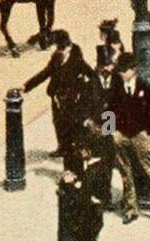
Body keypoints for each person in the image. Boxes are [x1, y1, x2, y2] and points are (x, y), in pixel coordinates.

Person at [107, 53, 150, 224]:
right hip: (121, 134)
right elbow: (109, 110)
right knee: (125, 173)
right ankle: (131, 209)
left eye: (124, 70)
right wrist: (110, 133)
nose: (121, 73)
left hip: (140, 134)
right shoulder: (115, 86)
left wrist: (148, 132)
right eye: (119, 70)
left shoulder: (145, 86)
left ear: (134, 70)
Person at [23, 30, 103, 164]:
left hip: (72, 97)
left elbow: (92, 75)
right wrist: (26, 86)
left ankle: (77, 149)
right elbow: (45, 73)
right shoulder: (57, 56)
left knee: (72, 123)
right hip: (57, 96)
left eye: (62, 48)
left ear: (68, 46)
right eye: (58, 48)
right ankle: (62, 147)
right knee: (58, 122)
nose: (60, 51)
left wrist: (90, 92)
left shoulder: (77, 59)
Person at [59, 123, 114, 241]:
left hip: (89, 218)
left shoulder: (94, 171)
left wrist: (69, 186)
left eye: (82, 149)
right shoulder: (96, 168)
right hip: (93, 216)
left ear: (88, 150)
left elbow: (85, 197)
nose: (79, 153)